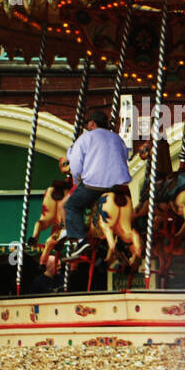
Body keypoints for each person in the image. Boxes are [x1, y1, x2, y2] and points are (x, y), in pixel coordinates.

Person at [57, 109, 131, 260]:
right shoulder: (117, 138)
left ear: (92, 123)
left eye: (88, 124)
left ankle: (81, 240)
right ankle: (124, 240)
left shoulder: (86, 138)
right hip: (120, 185)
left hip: (96, 184)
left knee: (71, 206)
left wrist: (77, 182)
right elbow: (126, 156)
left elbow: (76, 164)